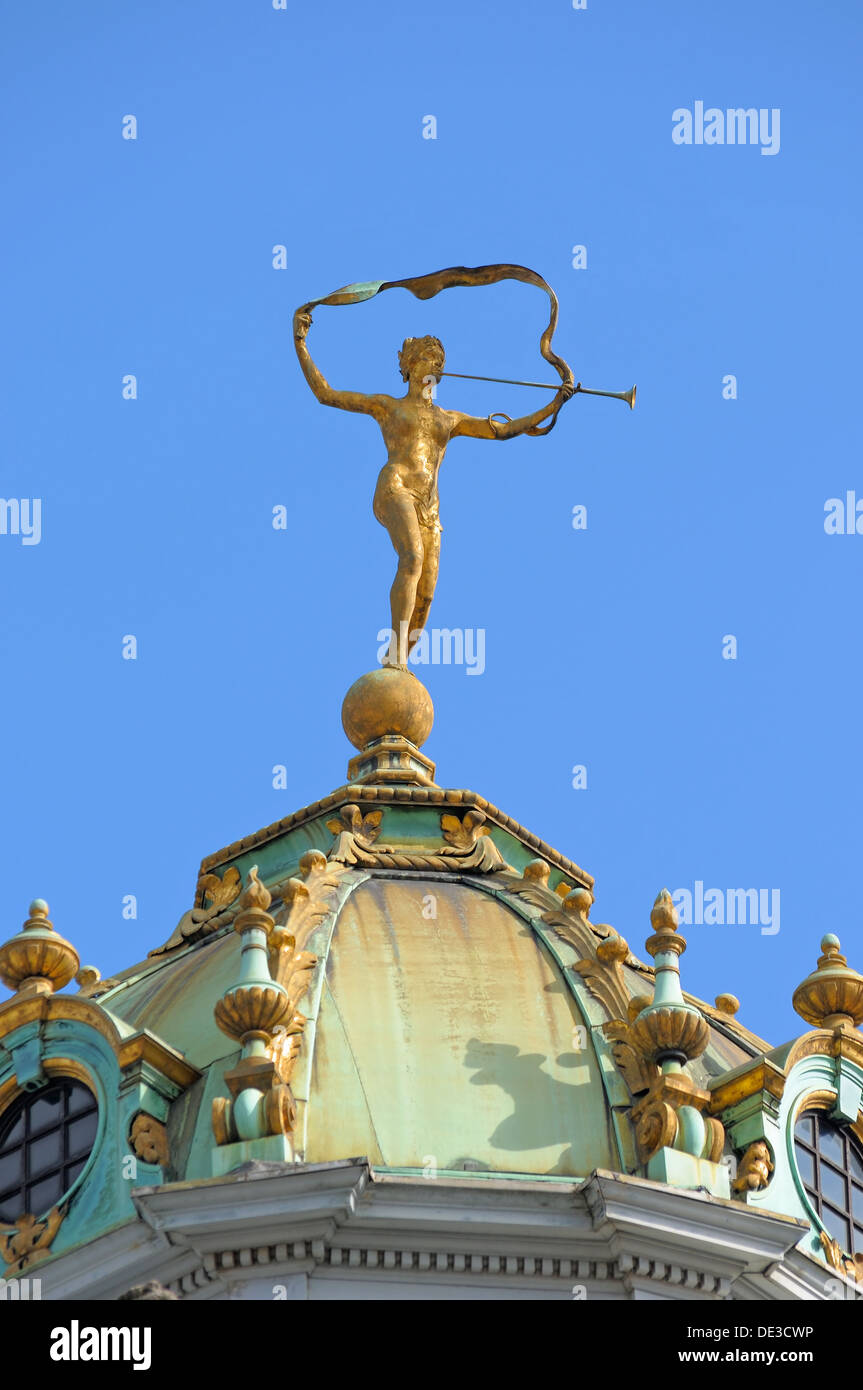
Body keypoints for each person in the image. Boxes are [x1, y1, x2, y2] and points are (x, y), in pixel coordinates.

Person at [293, 310, 573, 669]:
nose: (435, 365)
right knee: (411, 558)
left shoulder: (448, 418)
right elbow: (326, 394)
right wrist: (301, 343)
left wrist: (553, 404)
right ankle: (396, 656)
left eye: (439, 361)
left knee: (425, 594)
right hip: (396, 487)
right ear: (409, 365)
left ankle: (399, 663)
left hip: (430, 505)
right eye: (428, 357)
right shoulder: (387, 407)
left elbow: (501, 430)